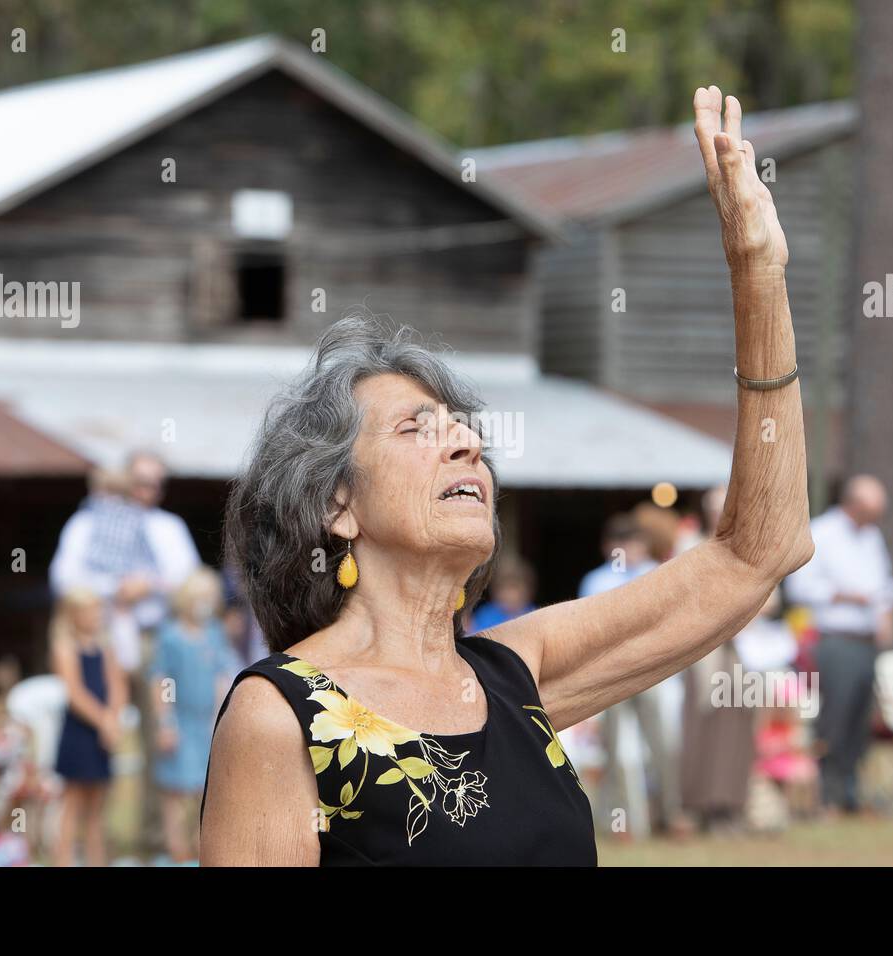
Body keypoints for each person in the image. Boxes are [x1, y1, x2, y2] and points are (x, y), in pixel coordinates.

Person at [200, 86, 812, 866]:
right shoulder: (279, 715)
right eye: (416, 429)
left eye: (465, 431)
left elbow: (760, 551)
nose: (464, 446)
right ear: (336, 505)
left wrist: (758, 274)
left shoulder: (512, 679)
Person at [50, 451, 200, 855]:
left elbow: (189, 580)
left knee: (159, 739)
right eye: (139, 480)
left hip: (154, 642)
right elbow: (64, 577)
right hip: (101, 641)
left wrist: (148, 585)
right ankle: (102, 844)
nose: (144, 490)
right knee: (98, 738)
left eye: (154, 483)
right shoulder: (88, 523)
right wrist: (113, 588)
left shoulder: (169, 528)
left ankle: (153, 843)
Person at [783, 475, 893, 815]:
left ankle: (850, 792)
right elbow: (799, 587)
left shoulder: (872, 537)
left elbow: (883, 585)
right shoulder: (823, 532)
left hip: (866, 641)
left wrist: (883, 620)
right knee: (833, 717)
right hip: (834, 639)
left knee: (860, 720)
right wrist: (846, 596)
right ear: (854, 504)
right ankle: (826, 796)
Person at [579, 514, 684, 837]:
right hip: (610, 673)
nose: (629, 550)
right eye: (622, 544)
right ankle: (624, 823)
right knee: (619, 752)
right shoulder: (596, 582)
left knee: (666, 743)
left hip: (653, 671)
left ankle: (671, 814)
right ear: (609, 547)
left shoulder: (658, 574)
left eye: (635, 543)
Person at [679, 484, 758, 835]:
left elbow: (767, 596)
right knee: (702, 728)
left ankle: (732, 805)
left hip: (739, 652)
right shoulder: (691, 546)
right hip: (702, 652)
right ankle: (699, 806)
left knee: (737, 729)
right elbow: (685, 596)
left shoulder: (748, 547)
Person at [151, 567, 240, 863]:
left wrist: (221, 717)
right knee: (176, 791)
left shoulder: (215, 633)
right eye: (198, 597)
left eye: (209, 598)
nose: (204, 604)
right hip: (180, 723)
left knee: (206, 790)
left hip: (207, 725)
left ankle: (200, 851)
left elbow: (222, 676)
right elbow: (163, 682)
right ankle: (177, 852)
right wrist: (166, 722)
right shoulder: (170, 637)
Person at [51, 587, 126, 867]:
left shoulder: (106, 648)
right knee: (72, 804)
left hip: (101, 738)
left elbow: (117, 685)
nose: (95, 616)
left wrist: (113, 719)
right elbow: (75, 694)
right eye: (88, 611)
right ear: (73, 615)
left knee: (96, 809)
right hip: (78, 735)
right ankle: (63, 861)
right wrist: (103, 720)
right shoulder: (64, 648)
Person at [467, 553, 537, 633]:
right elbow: (475, 637)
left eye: (514, 587)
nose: (509, 595)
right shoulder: (486, 615)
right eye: (503, 588)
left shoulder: (534, 615)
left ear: (528, 590)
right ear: (494, 592)